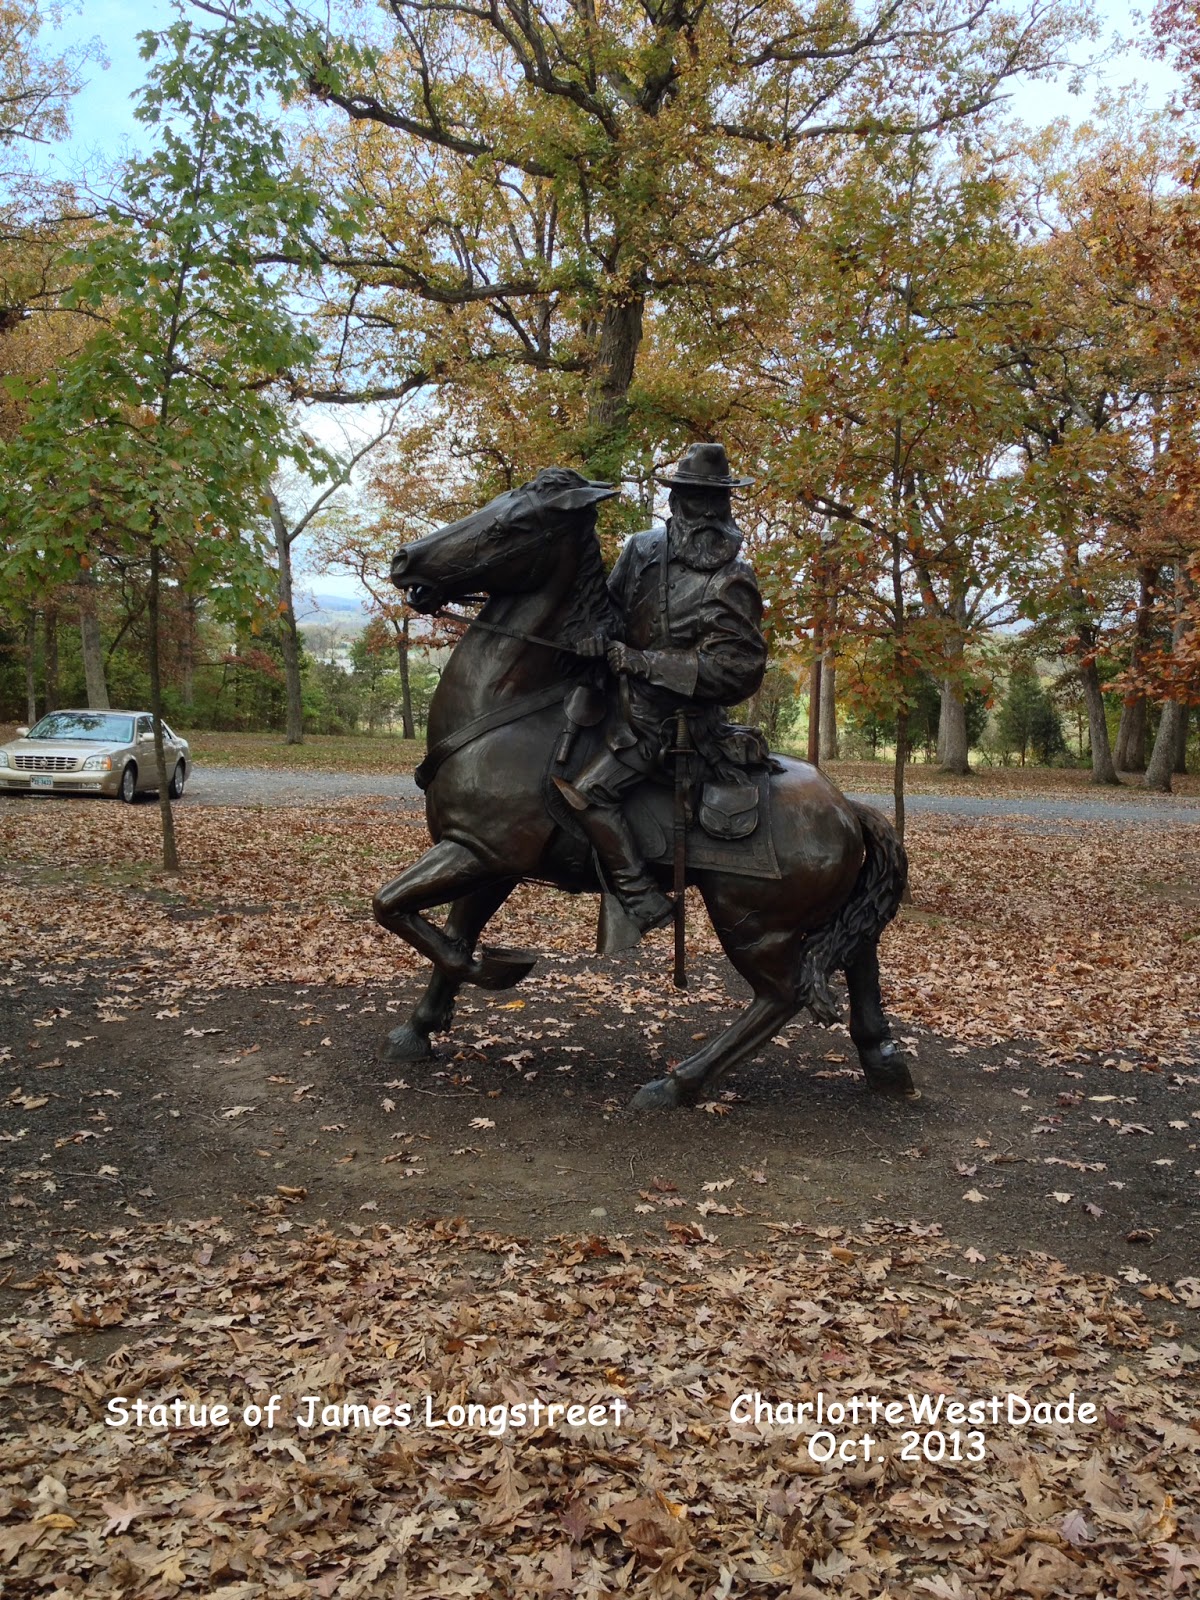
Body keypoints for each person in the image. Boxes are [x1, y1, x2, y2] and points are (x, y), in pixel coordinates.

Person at [556, 442, 767, 945]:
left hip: (673, 723)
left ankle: (642, 897)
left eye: (713, 500)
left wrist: (644, 661)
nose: (703, 510)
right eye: (692, 497)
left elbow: (738, 670)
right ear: (675, 500)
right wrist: (595, 638)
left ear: (727, 505)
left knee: (589, 795)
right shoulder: (641, 549)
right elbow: (609, 612)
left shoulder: (733, 577)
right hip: (616, 704)